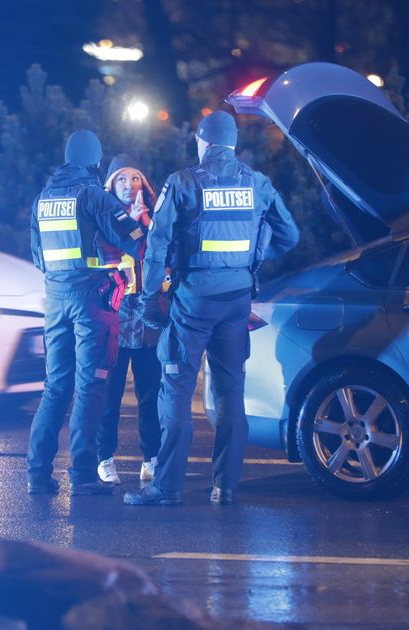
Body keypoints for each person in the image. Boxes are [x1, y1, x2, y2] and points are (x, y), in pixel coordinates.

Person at [124, 110, 299, 507]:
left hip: (193, 301)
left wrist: (151, 296)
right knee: (230, 394)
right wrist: (254, 259)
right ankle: (226, 488)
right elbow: (289, 235)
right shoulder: (257, 184)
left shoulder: (183, 182)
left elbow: (156, 245)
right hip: (237, 300)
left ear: (203, 143)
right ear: (232, 144)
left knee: (176, 391)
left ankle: (166, 489)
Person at [27, 130, 147, 497]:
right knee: (91, 384)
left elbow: (37, 255)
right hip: (91, 301)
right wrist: (140, 223)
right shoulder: (92, 194)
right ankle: (82, 474)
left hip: (56, 298)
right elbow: (135, 241)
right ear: (96, 163)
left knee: (55, 387)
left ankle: (38, 474)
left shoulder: (43, 199)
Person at [96, 154, 168, 485]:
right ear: (110, 185)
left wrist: (146, 222)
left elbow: (167, 254)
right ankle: (104, 457)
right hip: (114, 316)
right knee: (109, 394)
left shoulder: (156, 218)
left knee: (150, 394)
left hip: (149, 318)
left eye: (135, 178)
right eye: (122, 179)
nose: (129, 184)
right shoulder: (102, 217)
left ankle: (151, 457)